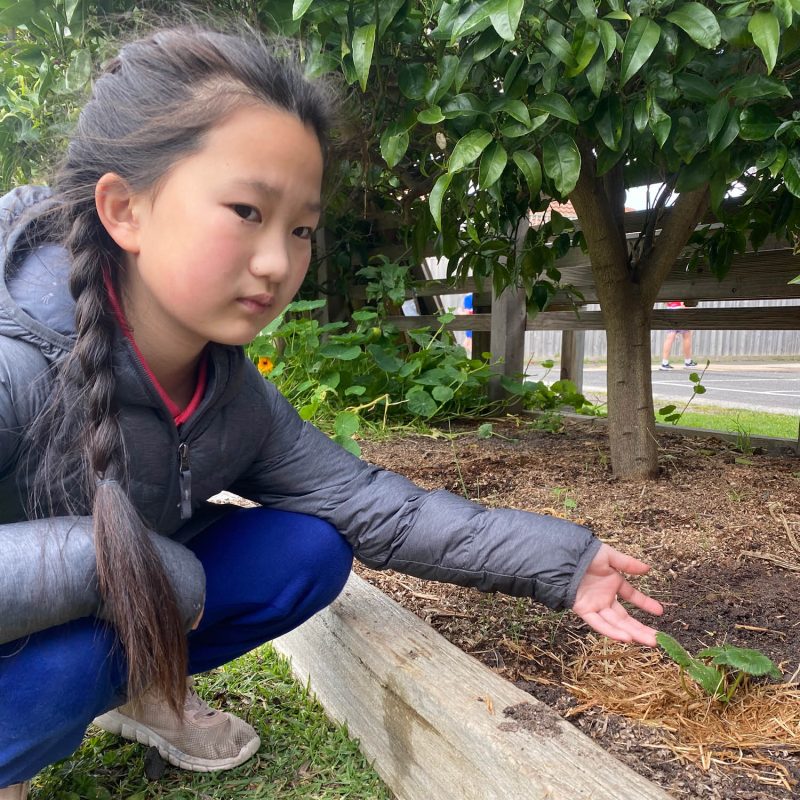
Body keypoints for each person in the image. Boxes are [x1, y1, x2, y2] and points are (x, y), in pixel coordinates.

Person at [0, 25, 664, 799]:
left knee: (306, 550)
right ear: (125, 210)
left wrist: (564, 563)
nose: (279, 262)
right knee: (85, 653)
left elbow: (372, 505)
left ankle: (141, 688)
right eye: (247, 210)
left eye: (302, 228)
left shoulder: (228, 390)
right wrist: (115, 564)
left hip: (112, 600)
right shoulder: (19, 363)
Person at [660, 301, 698, 370]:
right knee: (687, 335)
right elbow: (684, 301)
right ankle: (688, 362)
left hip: (670, 309)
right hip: (680, 309)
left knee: (670, 336)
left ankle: (664, 363)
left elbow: (666, 302)